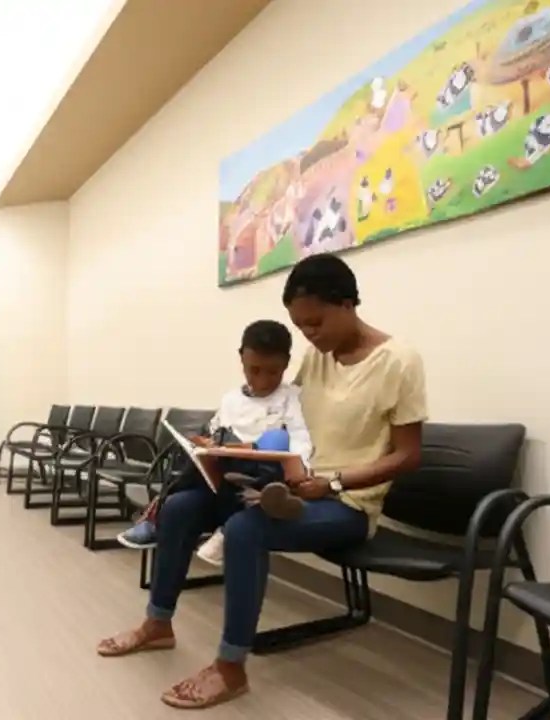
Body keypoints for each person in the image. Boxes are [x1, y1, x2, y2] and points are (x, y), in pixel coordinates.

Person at [96, 253, 428, 710]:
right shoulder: (319, 357)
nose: (309, 336)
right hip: (287, 485)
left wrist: (331, 483)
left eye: (315, 323)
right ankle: (158, 624)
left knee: (245, 530)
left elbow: (409, 456)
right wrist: (229, 445)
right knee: (181, 508)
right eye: (301, 327)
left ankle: (231, 667)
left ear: (348, 303)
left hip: (344, 502)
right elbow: (286, 420)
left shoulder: (400, 361)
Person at [114, 320, 313, 554]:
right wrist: (206, 444)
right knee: (194, 453)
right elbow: (216, 430)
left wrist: (303, 471)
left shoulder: (292, 397)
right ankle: (167, 517)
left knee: (276, 438)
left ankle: (160, 517)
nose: (263, 380)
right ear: (242, 359)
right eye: (254, 370)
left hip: (264, 473)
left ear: (286, 364)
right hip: (227, 470)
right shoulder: (231, 399)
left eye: (273, 372)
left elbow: (301, 437)